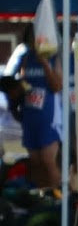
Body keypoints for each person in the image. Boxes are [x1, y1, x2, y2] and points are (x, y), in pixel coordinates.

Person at [3, 26, 62, 189]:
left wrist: (45, 65)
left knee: (47, 160)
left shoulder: (52, 57)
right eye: (31, 38)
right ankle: (43, 195)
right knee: (35, 161)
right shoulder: (26, 58)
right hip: (30, 116)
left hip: (47, 117)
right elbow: (21, 85)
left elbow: (57, 86)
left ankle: (61, 199)